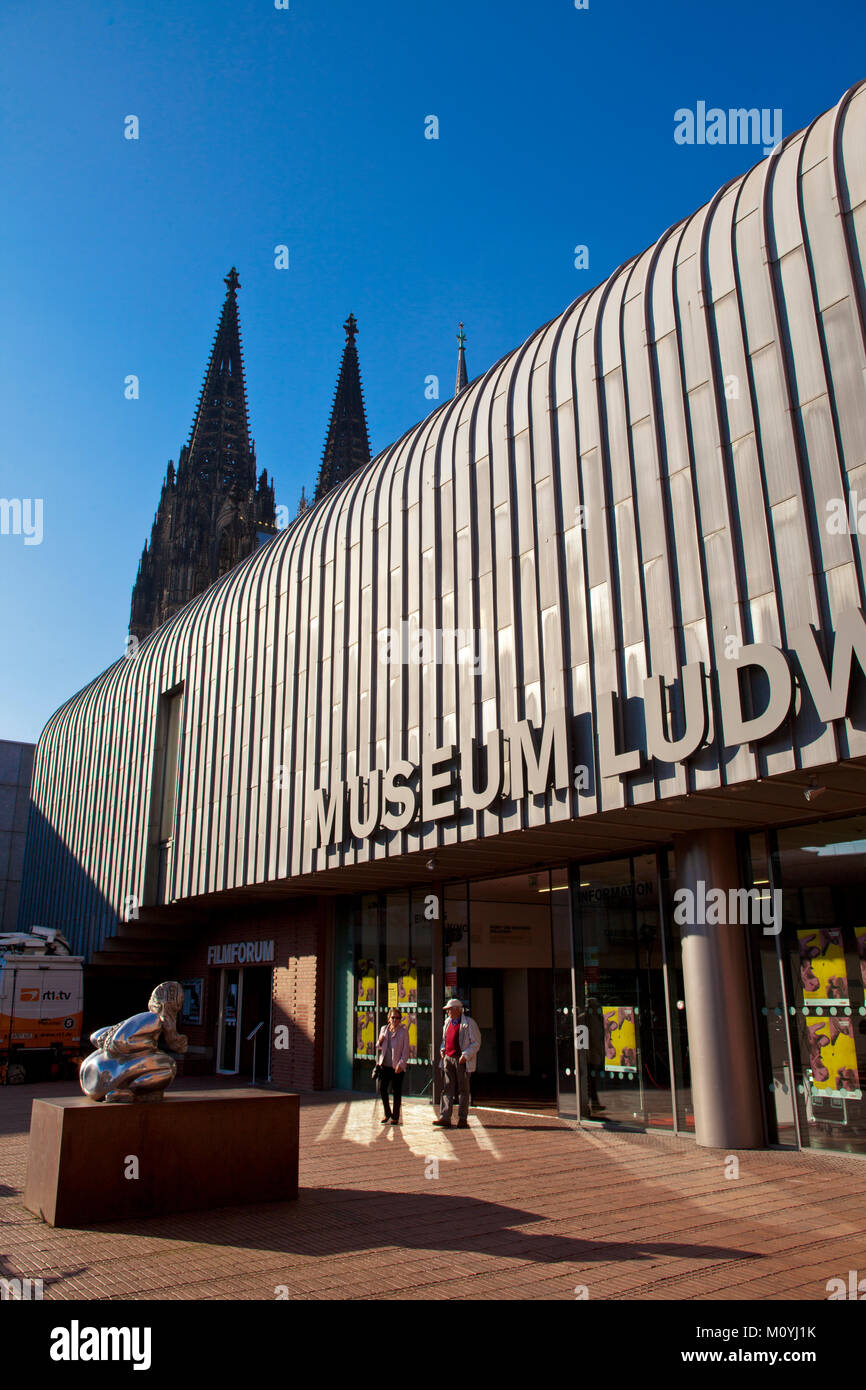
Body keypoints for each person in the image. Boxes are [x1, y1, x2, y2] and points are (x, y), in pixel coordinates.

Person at [433, 997, 481, 1128]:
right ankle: (445, 1117)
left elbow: (476, 1042)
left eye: (449, 1010)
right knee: (447, 1088)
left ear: (457, 1010)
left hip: (461, 1060)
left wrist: (466, 1055)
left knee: (463, 1090)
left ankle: (462, 1118)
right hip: (448, 1058)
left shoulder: (469, 1023)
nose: (447, 1012)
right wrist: (442, 1050)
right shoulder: (448, 1022)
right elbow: (445, 1039)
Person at [375, 1006, 410, 1124]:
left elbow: (406, 1051)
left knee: (396, 1091)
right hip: (384, 1065)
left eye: (398, 1018)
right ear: (389, 1018)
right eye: (393, 1017)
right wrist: (380, 1040)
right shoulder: (384, 1029)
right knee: (382, 1088)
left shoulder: (403, 1031)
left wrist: (401, 1064)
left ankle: (395, 1117)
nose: (395, 1020)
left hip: (397, 1067)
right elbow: (379, 1047)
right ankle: (387, 1113)